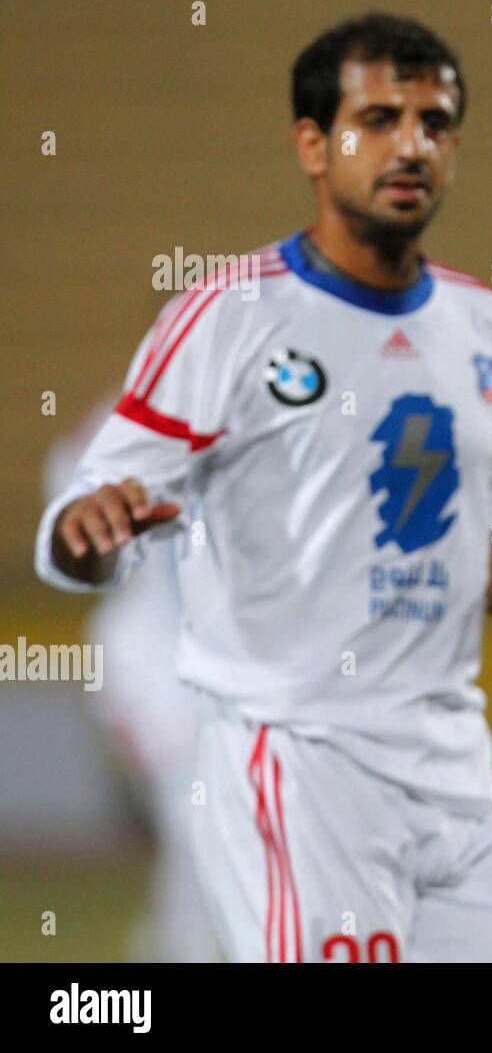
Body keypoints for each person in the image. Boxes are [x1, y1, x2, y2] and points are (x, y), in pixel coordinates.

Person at [36, 13, 492, 963]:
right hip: (298, 758)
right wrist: (85, 530)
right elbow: (83, 524)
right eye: (378, 119)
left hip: (451, 766)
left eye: (436, 122)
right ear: (312, 143)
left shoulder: (482, 323)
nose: (411, 145)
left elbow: (474, 543)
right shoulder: (227, 315)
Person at [44, 396, 218, 962]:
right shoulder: (120, 424)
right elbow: (79, 548)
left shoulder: (268, 405)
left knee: (221, 835)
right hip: (151, 661)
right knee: (200, 827)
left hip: (238, 667)